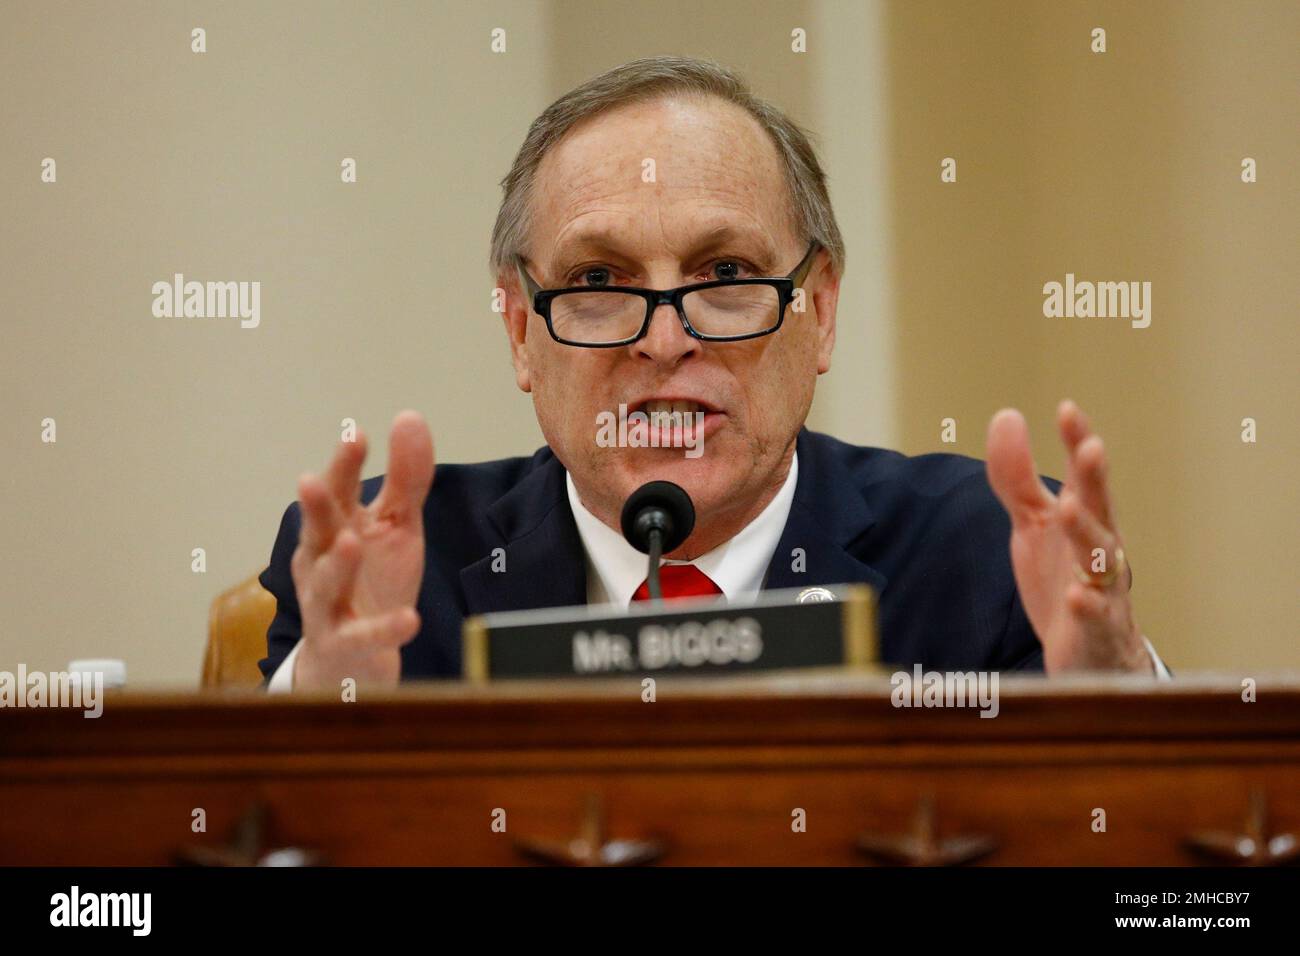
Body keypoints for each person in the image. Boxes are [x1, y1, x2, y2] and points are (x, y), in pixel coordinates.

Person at [259, 56, 1166, 691]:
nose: (663, 342)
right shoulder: (395, 581)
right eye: (598, 281)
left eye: (726, 276)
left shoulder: (982, 562)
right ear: (517, 329)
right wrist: (323, 728)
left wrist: (1118, 702)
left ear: (822, 311)